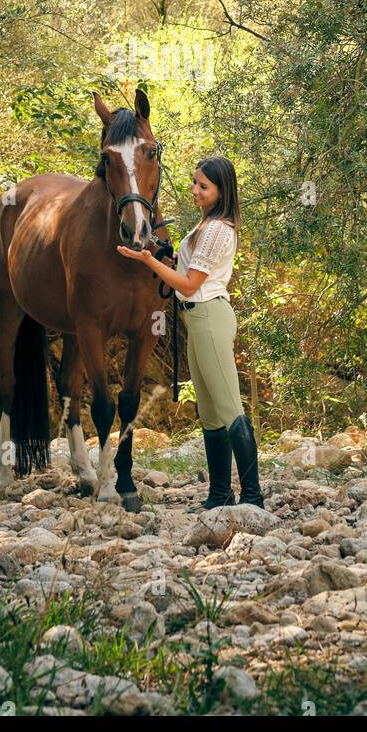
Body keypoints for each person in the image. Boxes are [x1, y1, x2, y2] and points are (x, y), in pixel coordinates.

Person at [117, 154, 264, 508]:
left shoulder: (216, 229)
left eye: (203, 186)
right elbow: (187, 274)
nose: (194, 190)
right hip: (197, 319)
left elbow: (188, 284)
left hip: (210, 317)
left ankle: (254, 498)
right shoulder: (205, 225)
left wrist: (148, 261)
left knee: (230, 410)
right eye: (194, 182)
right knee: (211, 414)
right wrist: (162, 255)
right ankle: (219, 494)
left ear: (221, 191)